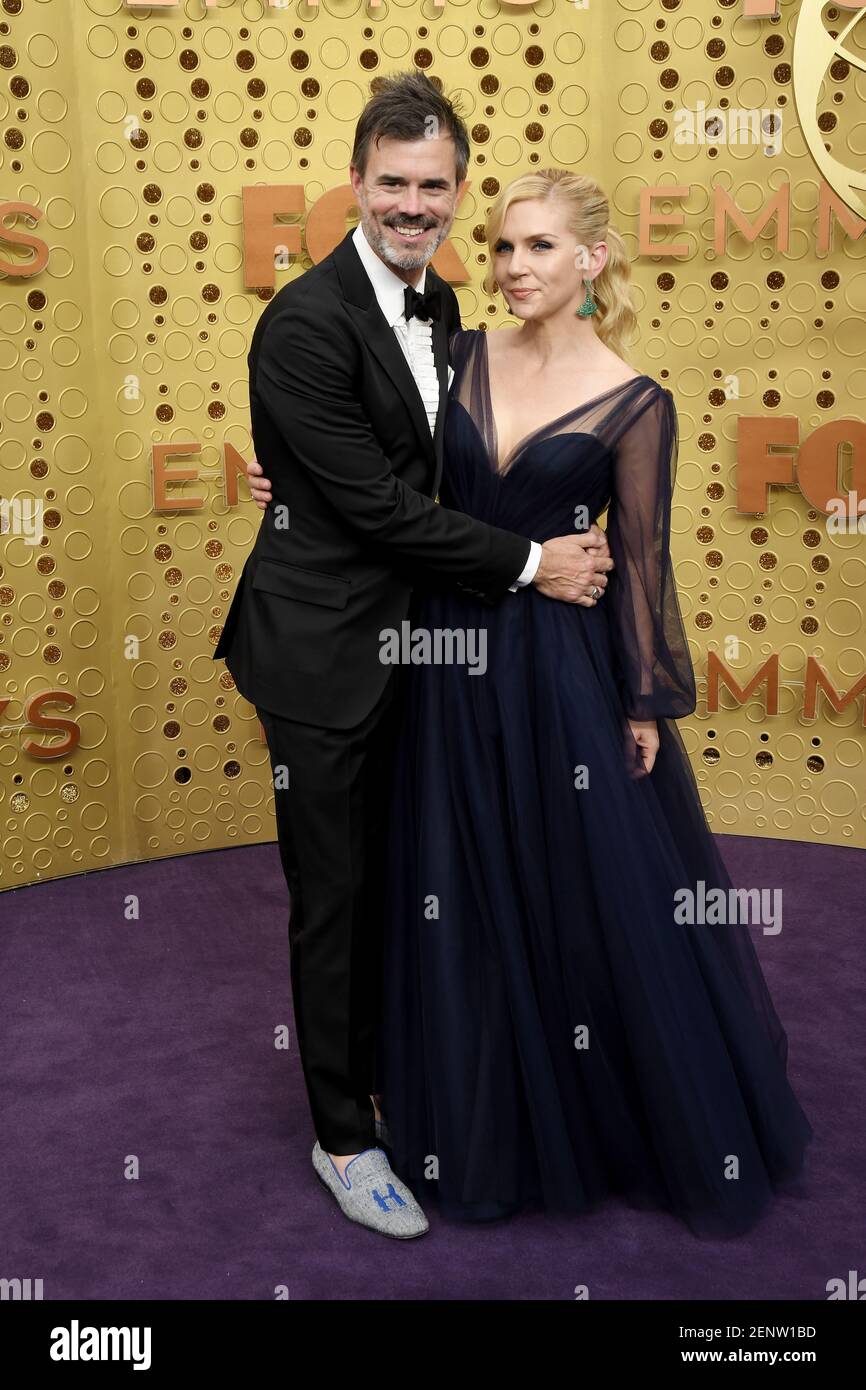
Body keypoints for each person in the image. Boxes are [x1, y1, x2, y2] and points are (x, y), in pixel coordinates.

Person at [248, 164, 813, 1240]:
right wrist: (298, 480)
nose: (510, 267)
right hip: (436, 653)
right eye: (503, 246)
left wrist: (642, 700)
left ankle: (591, 1104)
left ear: (591, 260)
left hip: (559, 669)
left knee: (570, 883)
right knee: (448, 879)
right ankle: (444, 1096)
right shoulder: (453, 347)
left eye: (538, 248)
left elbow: (641, 562)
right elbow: (382, 471)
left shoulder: (637, 399)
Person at [214, 71, 613, 1240]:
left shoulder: (443, 309)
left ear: (454, 192)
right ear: (356, 182)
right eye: (391, 183)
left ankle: (395, 1077)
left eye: (433, 187)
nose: (412, 205)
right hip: (320, 658)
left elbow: (429, 469)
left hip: (420, 649)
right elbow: (382, 511)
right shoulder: (299, 319)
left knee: (404, 883)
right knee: (334, 899)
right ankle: (344, 1135)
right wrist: (535, 562)